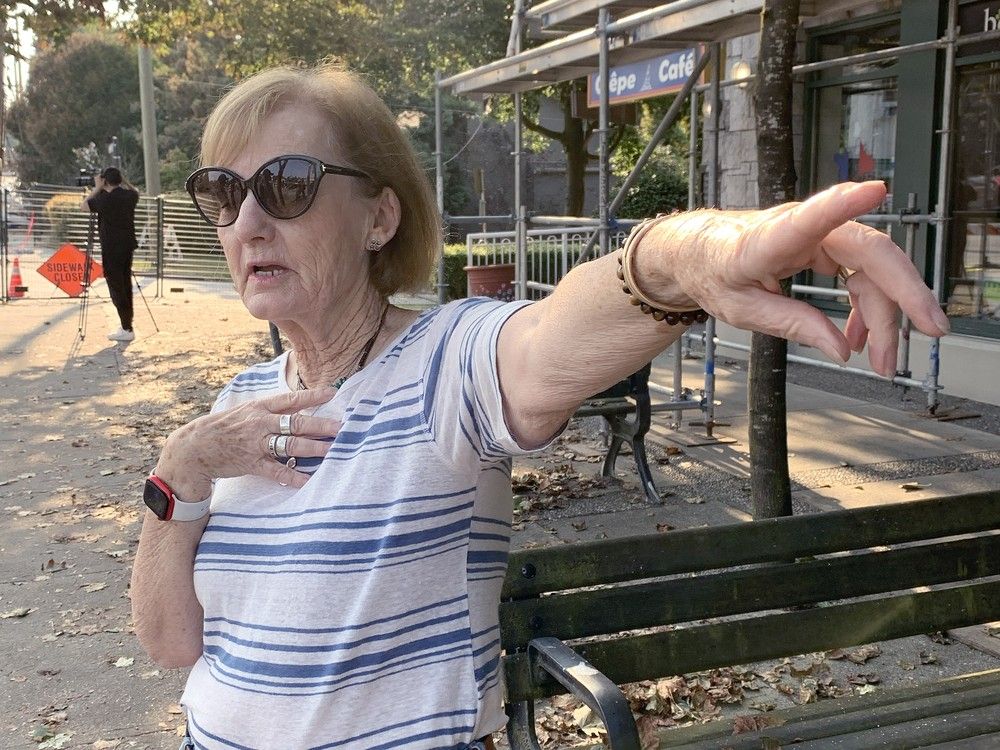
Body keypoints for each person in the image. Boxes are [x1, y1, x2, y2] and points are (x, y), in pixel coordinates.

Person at [129, 63, 950, 750]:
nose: (249, 221)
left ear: (380, 216)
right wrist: (181, 466)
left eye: (288, 185)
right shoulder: (235, 407)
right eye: (224, 193)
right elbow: (171, 644)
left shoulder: (441, 364)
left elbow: (550, 338)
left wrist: (687, 258)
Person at [82, 166, 139, 342]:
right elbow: (135, 191)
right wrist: (123, 180)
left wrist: (97, 187)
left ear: (105, 181)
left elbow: (84, 206)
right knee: (125, 283)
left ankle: (126, 327)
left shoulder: (104, 199)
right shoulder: (129, 196)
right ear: (120, 180)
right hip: (127, 246)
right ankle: (127, 323)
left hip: (111, 248)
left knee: (116, 287)